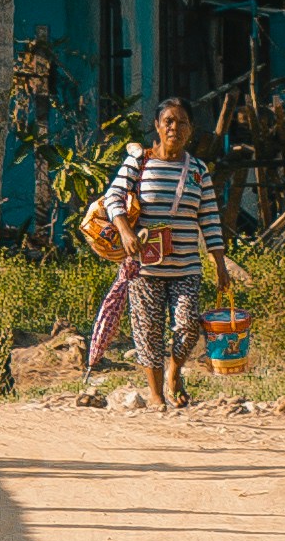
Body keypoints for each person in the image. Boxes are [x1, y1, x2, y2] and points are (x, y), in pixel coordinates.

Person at [90, 98, 227, 418]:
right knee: (147, 331)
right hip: (144, 267)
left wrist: (220, 264)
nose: (174, 127)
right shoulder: (139, 163)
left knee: (188, 326)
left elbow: (210, 218)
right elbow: (114, 197)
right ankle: (155, 394)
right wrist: (124, 231)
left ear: (190, 130)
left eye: (181, 122)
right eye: (168, 121)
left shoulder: (197, 171)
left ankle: (174, 372)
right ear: (157, 126)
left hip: (186, 267)